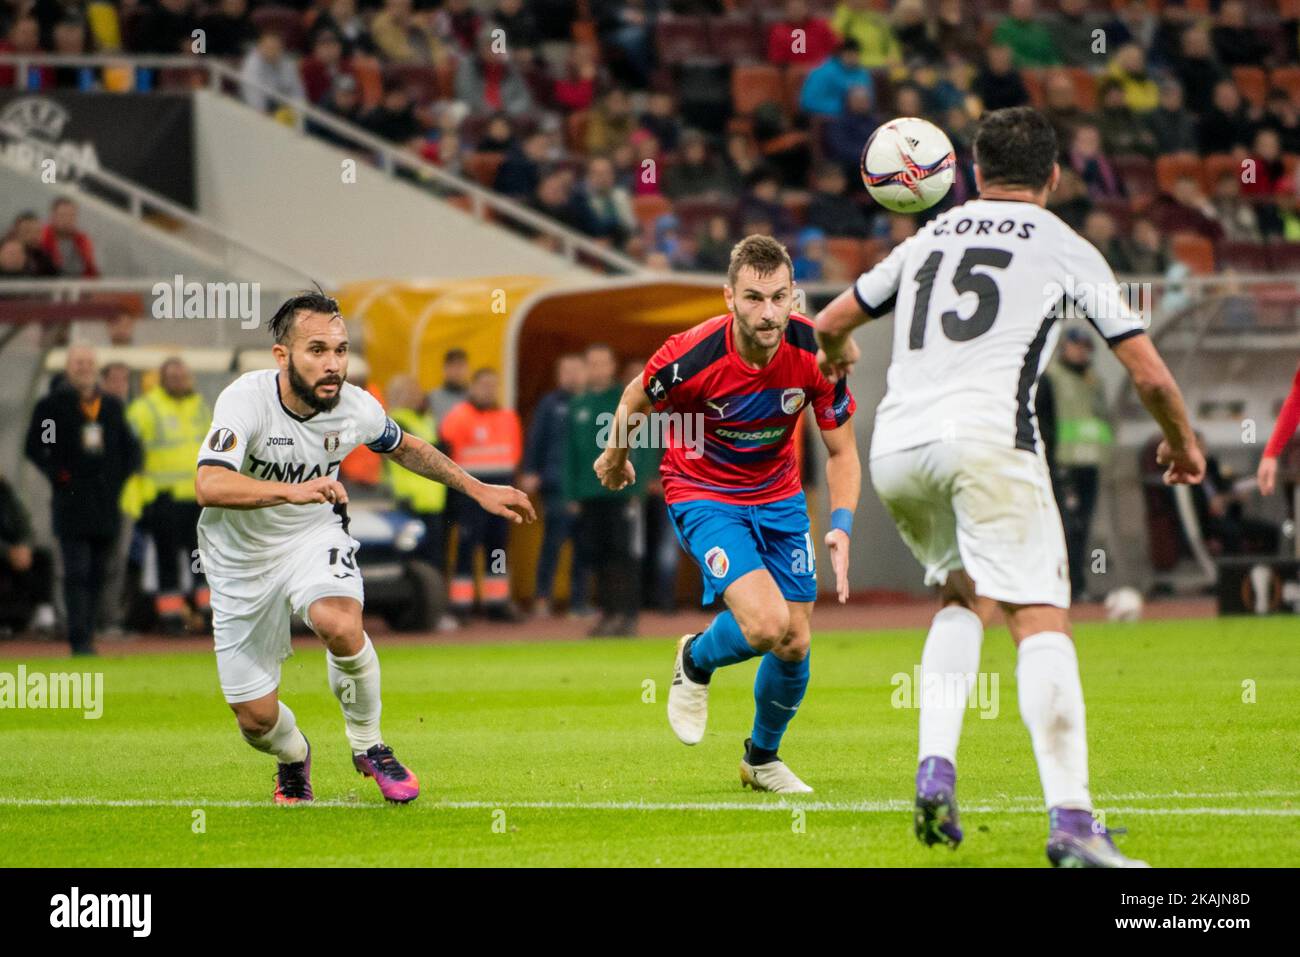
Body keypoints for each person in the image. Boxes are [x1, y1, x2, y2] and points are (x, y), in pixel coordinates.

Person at [815, 106, 1204, 866]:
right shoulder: (1064, 244)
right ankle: (1073, 822)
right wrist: (1184, 445)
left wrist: (833, 358)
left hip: (897, 445)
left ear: (971, 170)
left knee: (962, 595)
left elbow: (829, 320)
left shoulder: (929, 235)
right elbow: (1147, 369)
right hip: (988, 440)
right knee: (1039, 618)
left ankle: (935, 766)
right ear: (1055, 176)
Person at [194, 293, 533, 804]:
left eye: (340, 349)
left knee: (338, 623)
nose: (332, 364)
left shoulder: (354, 405)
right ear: (282, 356)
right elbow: (209, 485)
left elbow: (408, 448)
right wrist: (293, 490)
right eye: (316, 350)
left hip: (313, 536)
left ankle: (369, 745)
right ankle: (293, 758)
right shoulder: (245, 400)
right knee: (256, 719)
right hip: (239, 559)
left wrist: (478, 489)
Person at [595, 235, 861, 793]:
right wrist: (616, 455)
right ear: (728, 298)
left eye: (779, 298)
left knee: (795, 640)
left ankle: (761, 760)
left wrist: (840, 524)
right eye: (753, 298)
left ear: (795, 297)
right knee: (767, 625)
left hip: (780, 496)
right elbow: (635, 397)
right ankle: (695, 657)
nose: (768, 314)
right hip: (702, 490)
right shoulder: (690, 356)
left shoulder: (819, 352)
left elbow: (842, 452)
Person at [25, 344, 141, 656]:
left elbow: (130, 448)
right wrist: (58, 474)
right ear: (67, 367)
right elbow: (39, 446)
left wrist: (118, 478)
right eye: (77, 363)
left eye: (88, 362)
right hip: (71, 503)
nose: (83, 368)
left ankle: (91, 632)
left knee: (99, 571)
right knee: (76, 570)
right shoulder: (52, 407)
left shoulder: (112, 406)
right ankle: (78, 638)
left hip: (105, 504)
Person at [126, 357, 212, 633]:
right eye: (172, 376)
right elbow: (126, 449)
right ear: (162, 379)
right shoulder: (146, 408)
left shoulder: (199, 407)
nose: (178, 381)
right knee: (167, 560)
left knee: (201, 558)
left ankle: (208, 613)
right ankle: (171, 617)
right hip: (164, 499)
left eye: (182, 376)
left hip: (198, 497)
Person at [567, 344, 644, 637]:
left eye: (603, 363)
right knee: (595, 555)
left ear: (613, 366)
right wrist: (571, 492)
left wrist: (643, 479)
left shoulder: (626, 398)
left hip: (622, 492)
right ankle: (607, 613)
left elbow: (646, 442)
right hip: (589, 493)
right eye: (593, 364)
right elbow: (570, 452)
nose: (598, 369)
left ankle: (627, 615)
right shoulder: (578, 404)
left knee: (623, 554)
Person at [438, 368, 525, 622]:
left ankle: (497, 602)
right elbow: (445, 456)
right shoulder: (458, 417)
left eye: (493, 385)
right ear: (473, 387)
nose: (489, 390)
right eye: (484, 384)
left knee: (498, 548)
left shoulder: (508, 417)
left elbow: (513, 456)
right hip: (471, 494)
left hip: (501, 492)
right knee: (466, 547)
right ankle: (461, 606)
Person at [1044, 329, 1114, 601]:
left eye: (1086, 346)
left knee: (1083, 525)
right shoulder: (1051, 378)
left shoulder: (1093, 380)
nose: (1082, 351)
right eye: (1077, 346)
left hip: (1090, 462)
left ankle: (1078, 585)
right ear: (1065, 347)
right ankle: (1063, 586)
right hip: (1065, 463)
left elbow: (1102, 419)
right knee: (1066, 526)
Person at [522, 353, 588, 618]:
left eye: (576, 370)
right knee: (553, 544)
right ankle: (542, 598)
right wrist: (529, 471)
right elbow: (536, 438)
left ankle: (579, 602)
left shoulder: (593, 403)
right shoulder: (550, 404)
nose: (571, 376)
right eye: (566, 371)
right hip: (556, 485)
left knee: (584, 548)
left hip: (588, 488)